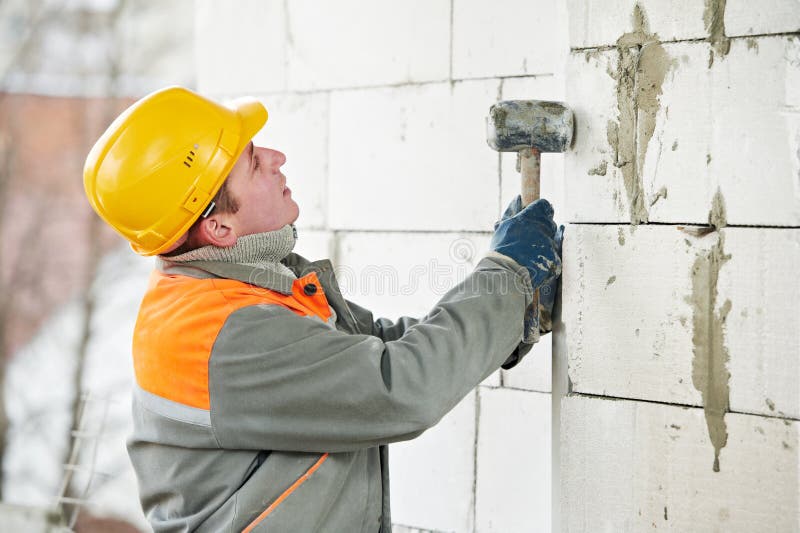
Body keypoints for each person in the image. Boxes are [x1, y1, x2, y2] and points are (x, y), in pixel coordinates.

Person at [83, 86, 563, 533]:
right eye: (252, 162)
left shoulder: (229, 288)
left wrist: (515, 308)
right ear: (220, 228)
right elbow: (398, 387)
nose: (276, 158)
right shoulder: (225, 335)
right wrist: (505, 275)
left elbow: (374, 345)